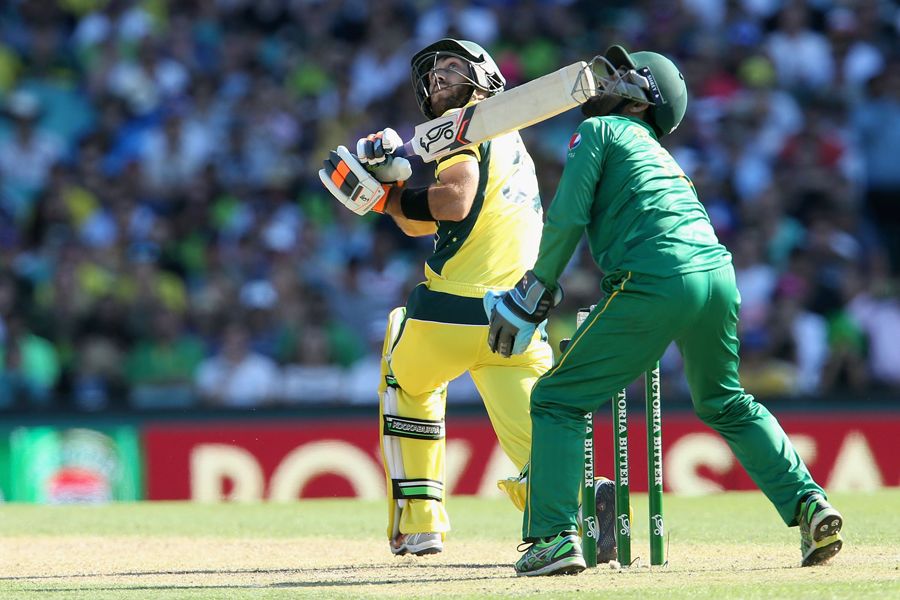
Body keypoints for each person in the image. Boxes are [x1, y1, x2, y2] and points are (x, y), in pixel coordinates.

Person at [484, 45, 844, 576]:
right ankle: (810, 504)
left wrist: (535, 289)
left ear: (643, 94)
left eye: (621, 72)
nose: (604, 77)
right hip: (717, 278)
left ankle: (553, 539)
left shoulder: (603, 132)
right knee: (724, 401)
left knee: (557, 398)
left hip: (656, 277)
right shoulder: (661, 154)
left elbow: (568, 215)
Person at [319, 38, 617, 559]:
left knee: (402, 368)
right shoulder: (513, 146)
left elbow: (454, 201)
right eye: (432, 74)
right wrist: (388, 201)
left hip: (451, 315)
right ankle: (567, 519)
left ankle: (419, 524)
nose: (439, 77)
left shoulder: (467, 127)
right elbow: (424, 220)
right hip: (517, 320)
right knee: (536, 431)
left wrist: (387, 194)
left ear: (488, 79)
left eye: (453, 68)